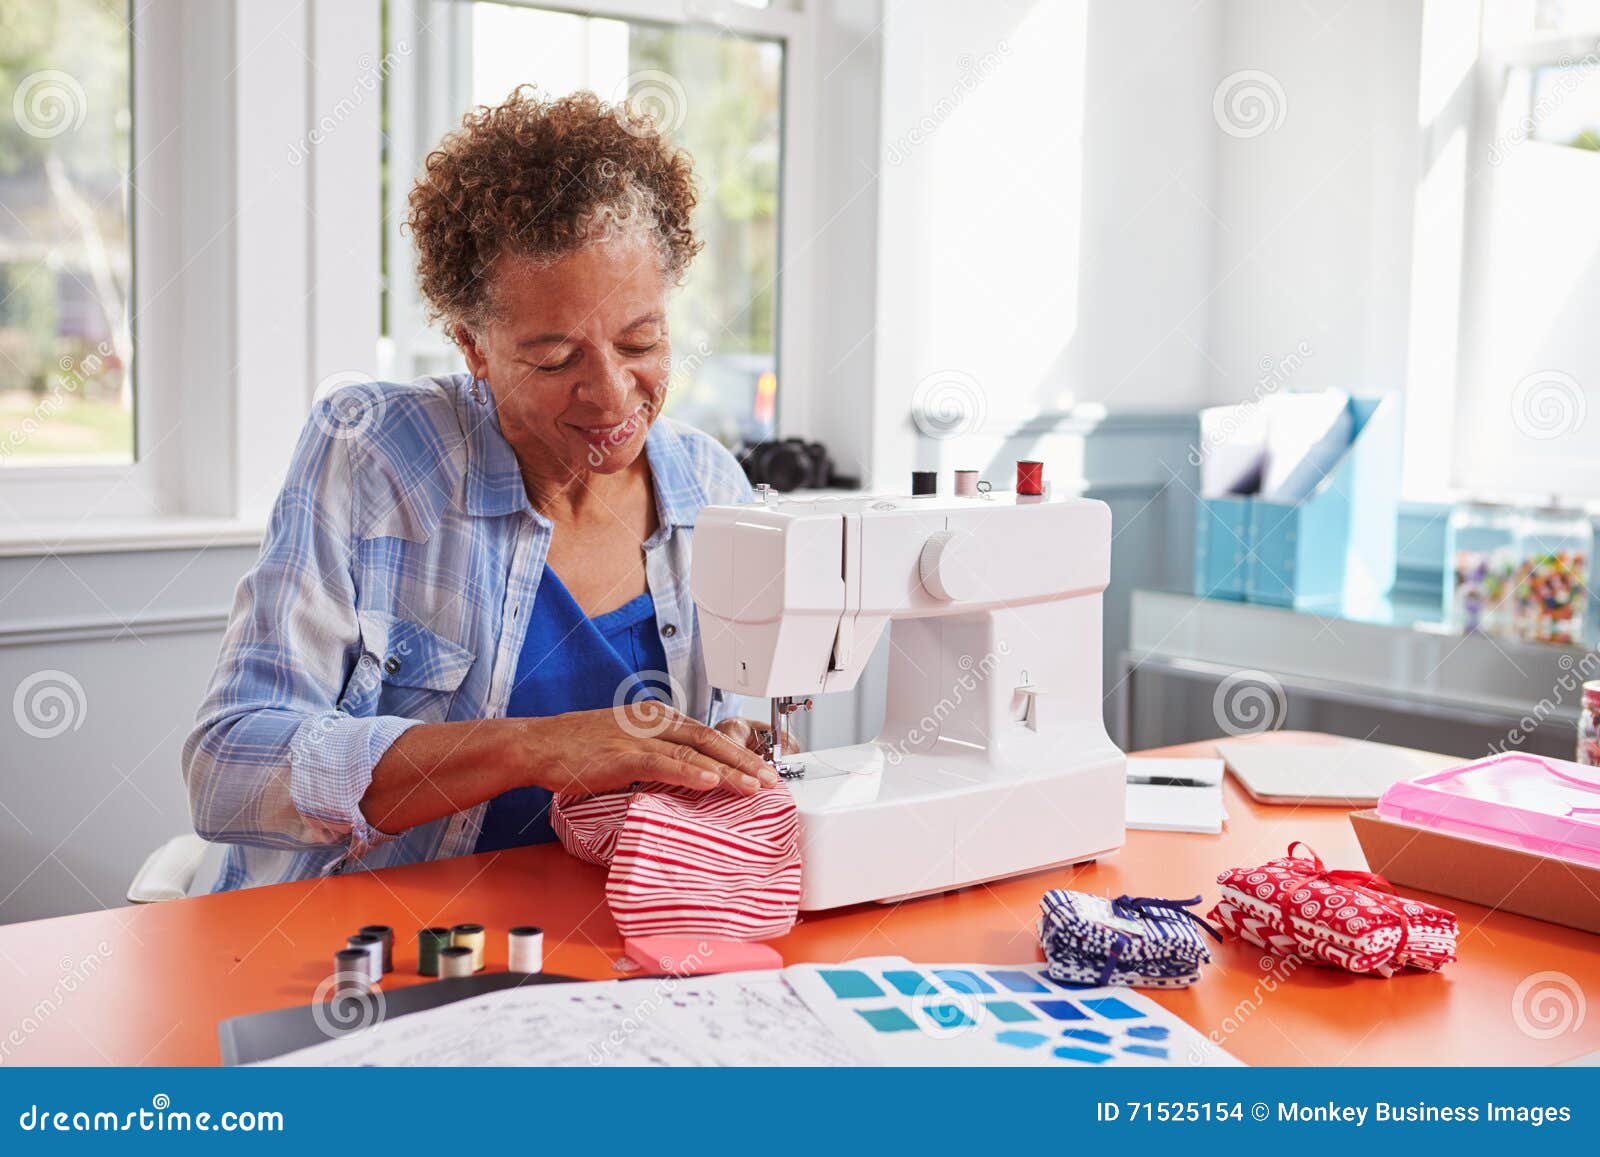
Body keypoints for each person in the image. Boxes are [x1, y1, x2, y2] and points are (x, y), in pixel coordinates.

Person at [182, 88, 779, 891]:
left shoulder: (712, 486)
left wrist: (741, 757)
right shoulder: (372, 453)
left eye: (642, 340)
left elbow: (732, 734)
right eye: (556, 358)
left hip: (604, 944)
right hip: (369, 945)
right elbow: (230, 765)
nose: (612, 395)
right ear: (474, 346)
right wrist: (533, 747)